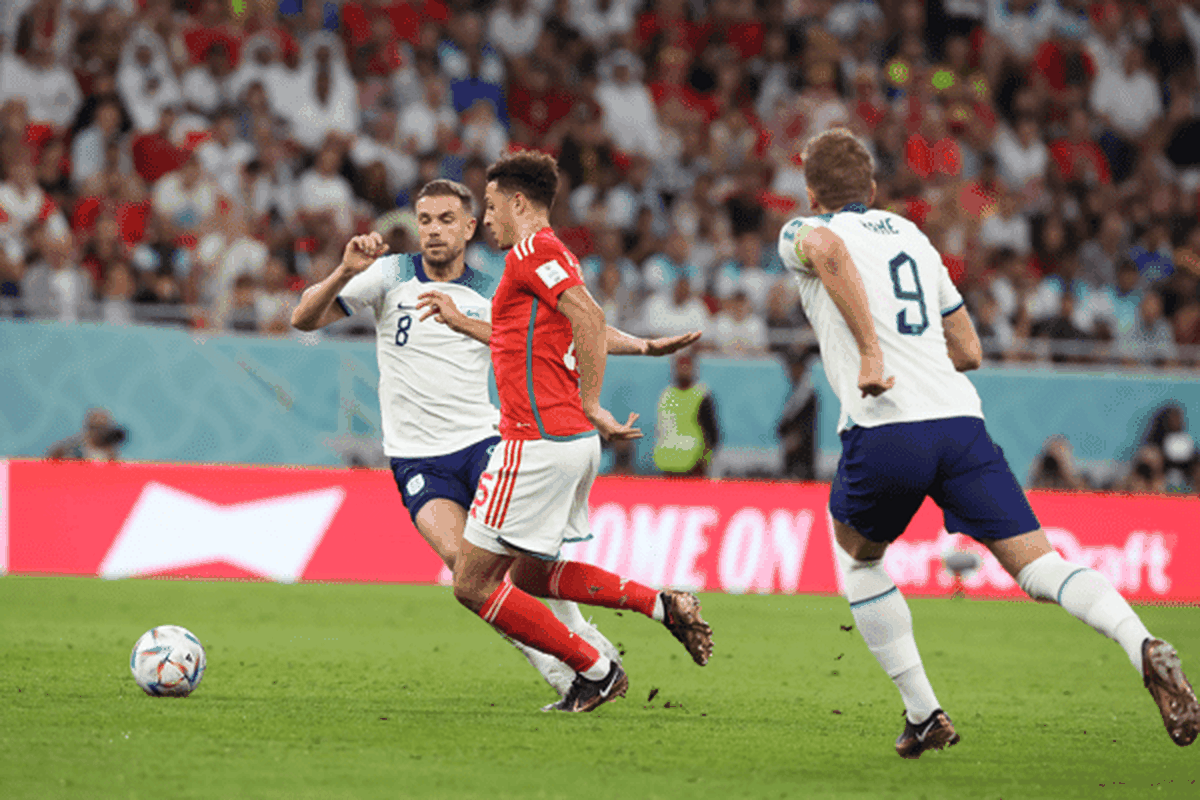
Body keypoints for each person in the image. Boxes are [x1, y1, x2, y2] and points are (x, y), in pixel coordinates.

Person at [778, 128, 1199, 758]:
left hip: (887, 424)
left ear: (813, 192)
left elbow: (829, 251)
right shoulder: (915, 239)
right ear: (873, 189)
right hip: (960, 423)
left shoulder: (802, 232)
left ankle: (924, 713)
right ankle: (1140, 641)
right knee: (1040, 564)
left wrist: (871, 350)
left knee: (859, 560)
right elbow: (969, 350)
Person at [290, 178, 700, 707]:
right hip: (417, 457)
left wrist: (641, 346)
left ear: (468, 226)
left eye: (445, 220)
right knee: (469, 571)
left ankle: (584, 642)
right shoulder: (390, 275)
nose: (433, 230)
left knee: (522, 570)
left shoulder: (496, 286)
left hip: (488, 442)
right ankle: (567, 664)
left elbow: (569, 327)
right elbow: (303, 317)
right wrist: (346, 269)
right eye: (424, 220)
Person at [438, 151, 713, 713]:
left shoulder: (531, 250)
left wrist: (593, 402)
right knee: (533, 574)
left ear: (518, 203)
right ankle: (659, 604)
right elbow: (541, 329)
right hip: (567, 444)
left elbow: (585, 318)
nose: (485, 219)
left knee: (472, 583)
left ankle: (595, 668)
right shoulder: (553, 256)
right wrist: (640, 344)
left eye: (490, 207)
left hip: (535, 440)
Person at [653, 352, 719, 477]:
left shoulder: (701, 395)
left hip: (693, 466)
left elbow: (712, 434)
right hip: (667, 463)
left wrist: (704, 461)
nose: (683, 370)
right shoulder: (666, 395)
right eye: (680, 366)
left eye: (687, 366)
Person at [46, 408, 127, 461]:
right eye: (96, 428)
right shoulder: (73, 448)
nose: (100, 432)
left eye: (104, 428)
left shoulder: (111, 453)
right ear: (88, 429)